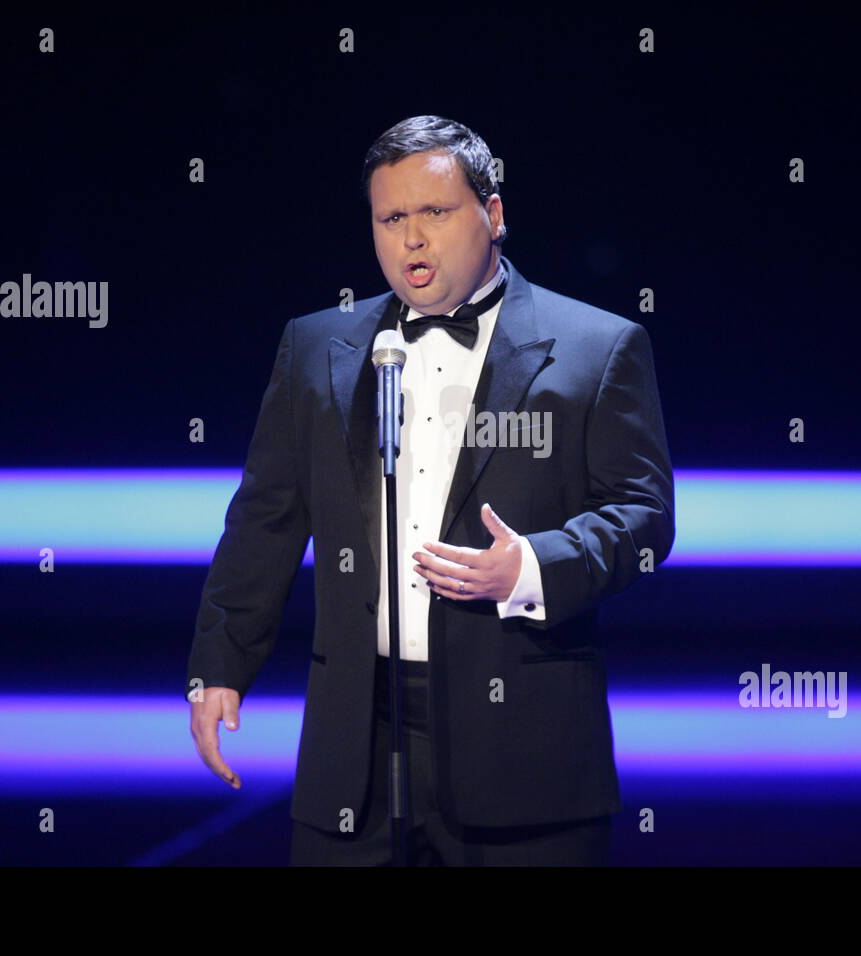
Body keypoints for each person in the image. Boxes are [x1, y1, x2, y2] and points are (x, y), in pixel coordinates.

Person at [186, 115, 675, 865]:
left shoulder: (597, 349)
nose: (411, 238)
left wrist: (533, 566)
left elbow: (644, 517)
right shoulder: (317, 347)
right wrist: (220, 667)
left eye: (435, 213)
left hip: (526, 757)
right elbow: (266, 521)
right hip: (354, 746)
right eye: (391, 218)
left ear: (495, 214)